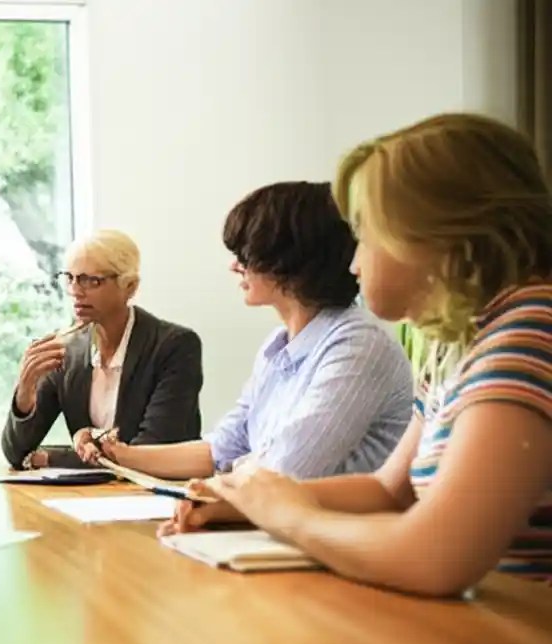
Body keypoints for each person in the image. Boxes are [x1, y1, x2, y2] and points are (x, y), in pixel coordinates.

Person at [162, 114, 552, 596]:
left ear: (441, 237)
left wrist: (290, 515)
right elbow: (389, 492)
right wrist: (245, 502)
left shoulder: (531, 329)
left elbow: (436, 558)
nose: (354, 261)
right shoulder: (460, 343)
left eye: (367, 234)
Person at [91, 182, 413, 480]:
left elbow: (288, 470)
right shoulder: (278, 346)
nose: (234, 266)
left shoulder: (358, 345)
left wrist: (233, 471)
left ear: (288, 261)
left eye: (244, 255)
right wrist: (119, 455)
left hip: (333, 535)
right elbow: (221, 450)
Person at [1, 229, 203, 469]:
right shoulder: (69, 349)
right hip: (93, 498)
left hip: (159, 497)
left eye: (90, 280)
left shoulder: (174, 346)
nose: (76, 290)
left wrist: (50, 458)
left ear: (129, 286)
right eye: (70, 278)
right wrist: (25, 394)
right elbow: (17, 453)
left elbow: (148, 450)